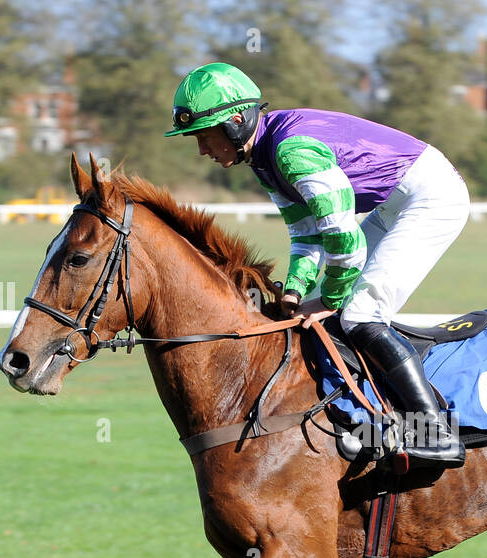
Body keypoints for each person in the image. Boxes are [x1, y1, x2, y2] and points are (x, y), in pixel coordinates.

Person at [164, 62, 469, 468]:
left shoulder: (291, 152)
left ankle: (435, 432)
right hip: (393, 203)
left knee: (359, 312)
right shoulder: (263, 156)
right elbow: (307, 234)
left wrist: (329, 296)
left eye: (204, 136)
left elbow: (343, 239)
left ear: (236, 122)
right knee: (328, 310)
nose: (203, 150)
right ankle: (368, 418)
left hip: (430, 199)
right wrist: (295, 291)